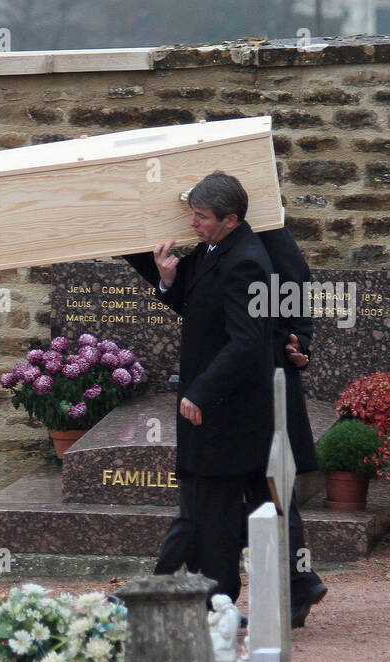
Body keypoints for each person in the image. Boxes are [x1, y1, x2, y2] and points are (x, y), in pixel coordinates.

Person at [123, 172, 275, 604]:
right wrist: (167, 279)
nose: (192, 225)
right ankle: (172, 591)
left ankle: (203, 596)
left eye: (201, 217)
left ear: (230, 219)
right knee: (200, 508)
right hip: (209, 407)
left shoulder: (246, 260)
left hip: (225, 410)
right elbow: (197, 303)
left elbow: (247, 340)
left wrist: (202, 391)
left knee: (212, 513)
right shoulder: (215, 248)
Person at [257, 227, 328, 627]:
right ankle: (300, 580)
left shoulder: (268, 231)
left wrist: (300, 337)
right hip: (256, 372)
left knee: (270, 485)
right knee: (265, 485)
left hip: (266, 374)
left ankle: (299, 580)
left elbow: (295, 279)